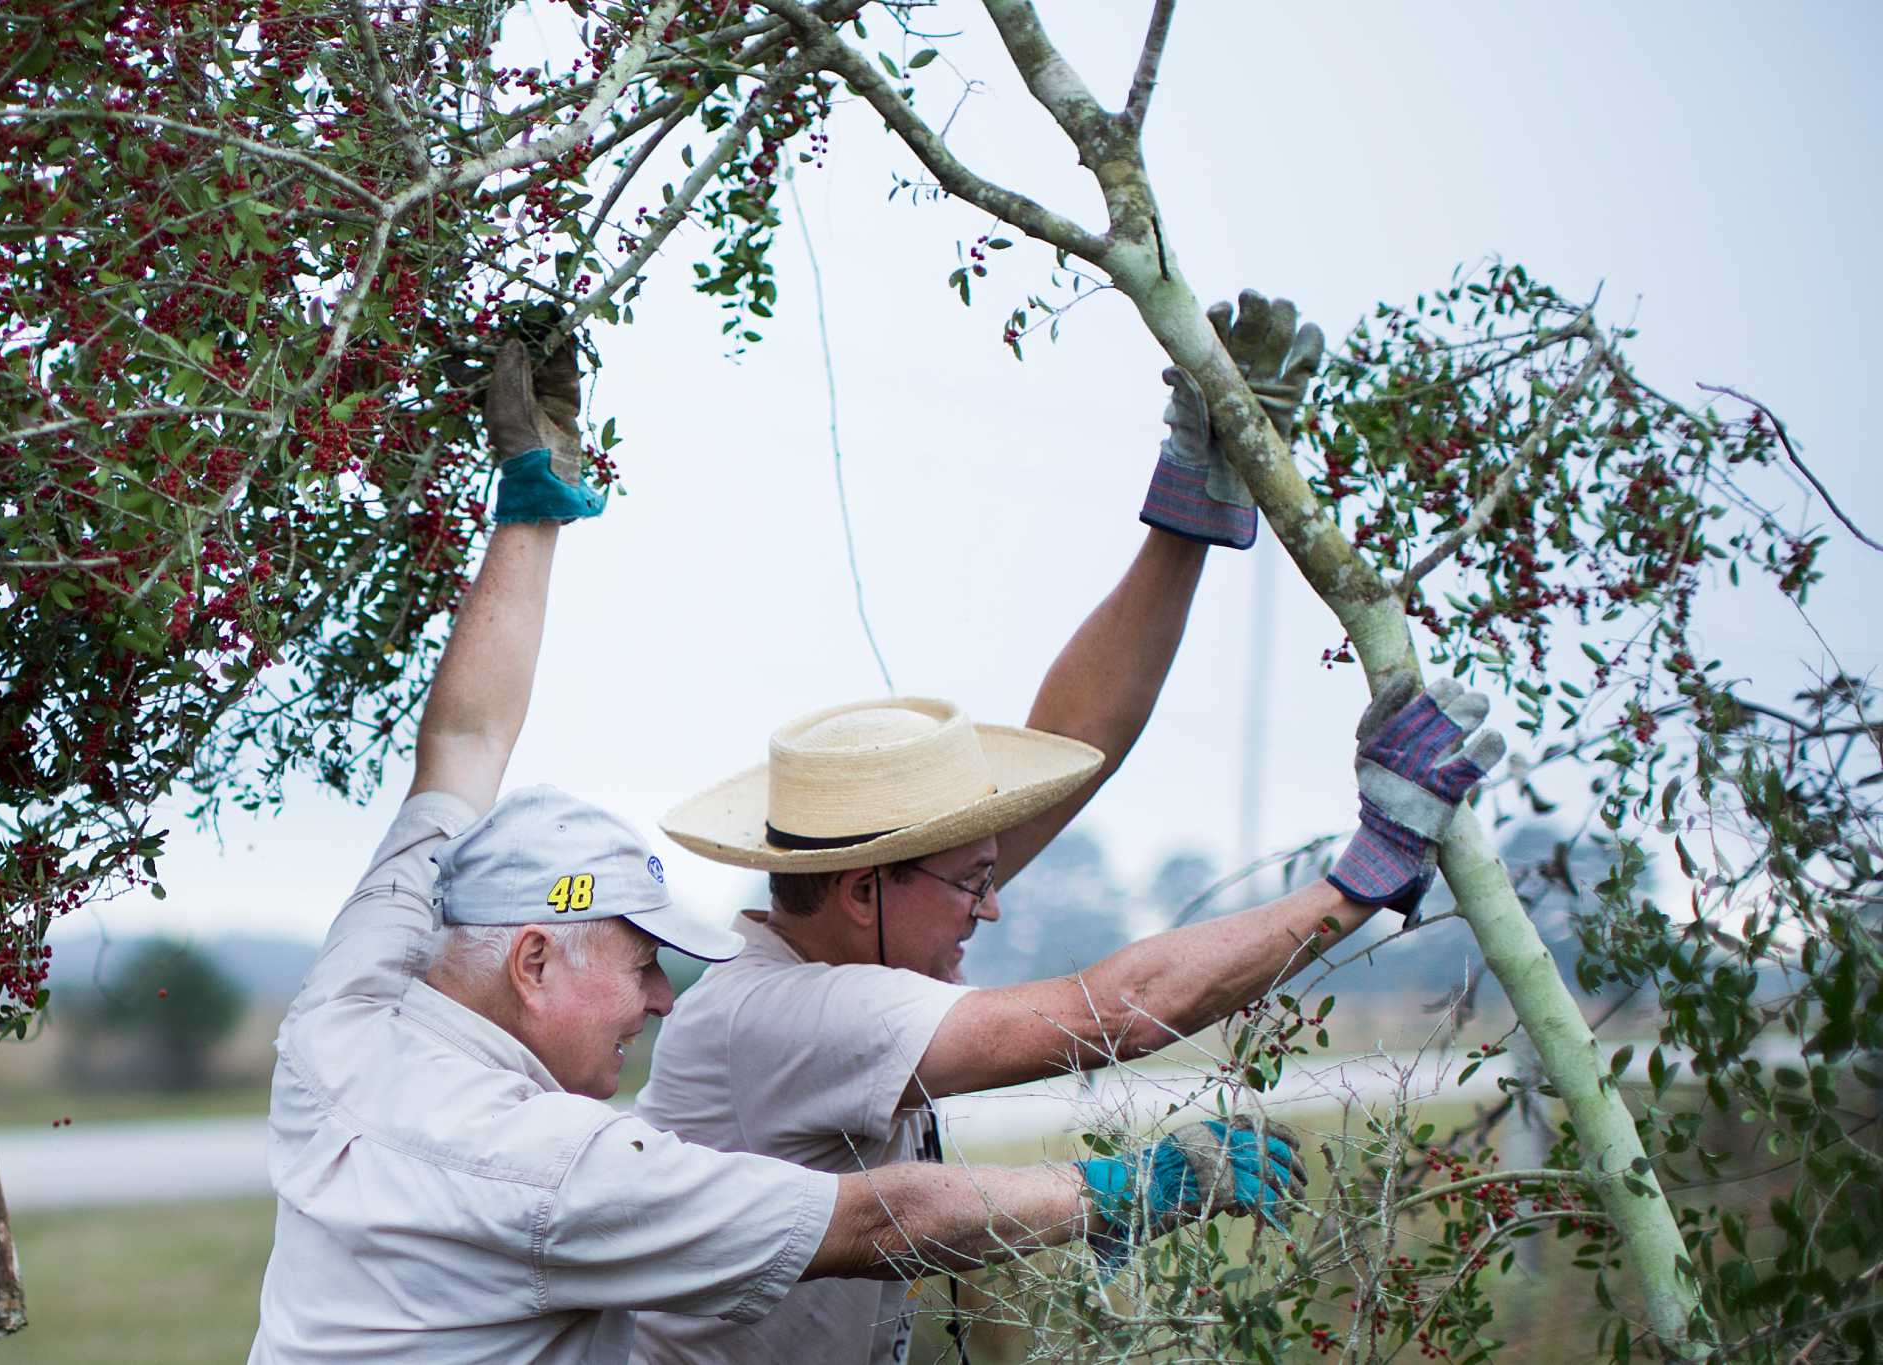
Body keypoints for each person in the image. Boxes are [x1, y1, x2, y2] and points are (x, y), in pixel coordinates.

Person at [245, 328, 1302, 1364]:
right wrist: (1125, 1184)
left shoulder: (355, 999)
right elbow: (889, 1215)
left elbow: (464, 744)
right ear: (532, 960)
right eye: (641, 962)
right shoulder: (553, 1165)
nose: (662, 999)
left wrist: (529, 503)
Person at [631, 293, 1508, 1365]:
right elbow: (1115, 1015)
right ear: (864, 891)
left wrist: (1191, 505)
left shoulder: (852, 940)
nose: (993, 905)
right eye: (972, 883)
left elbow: (1073, 746)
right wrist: (1365, 872)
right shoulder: (789, 1014)